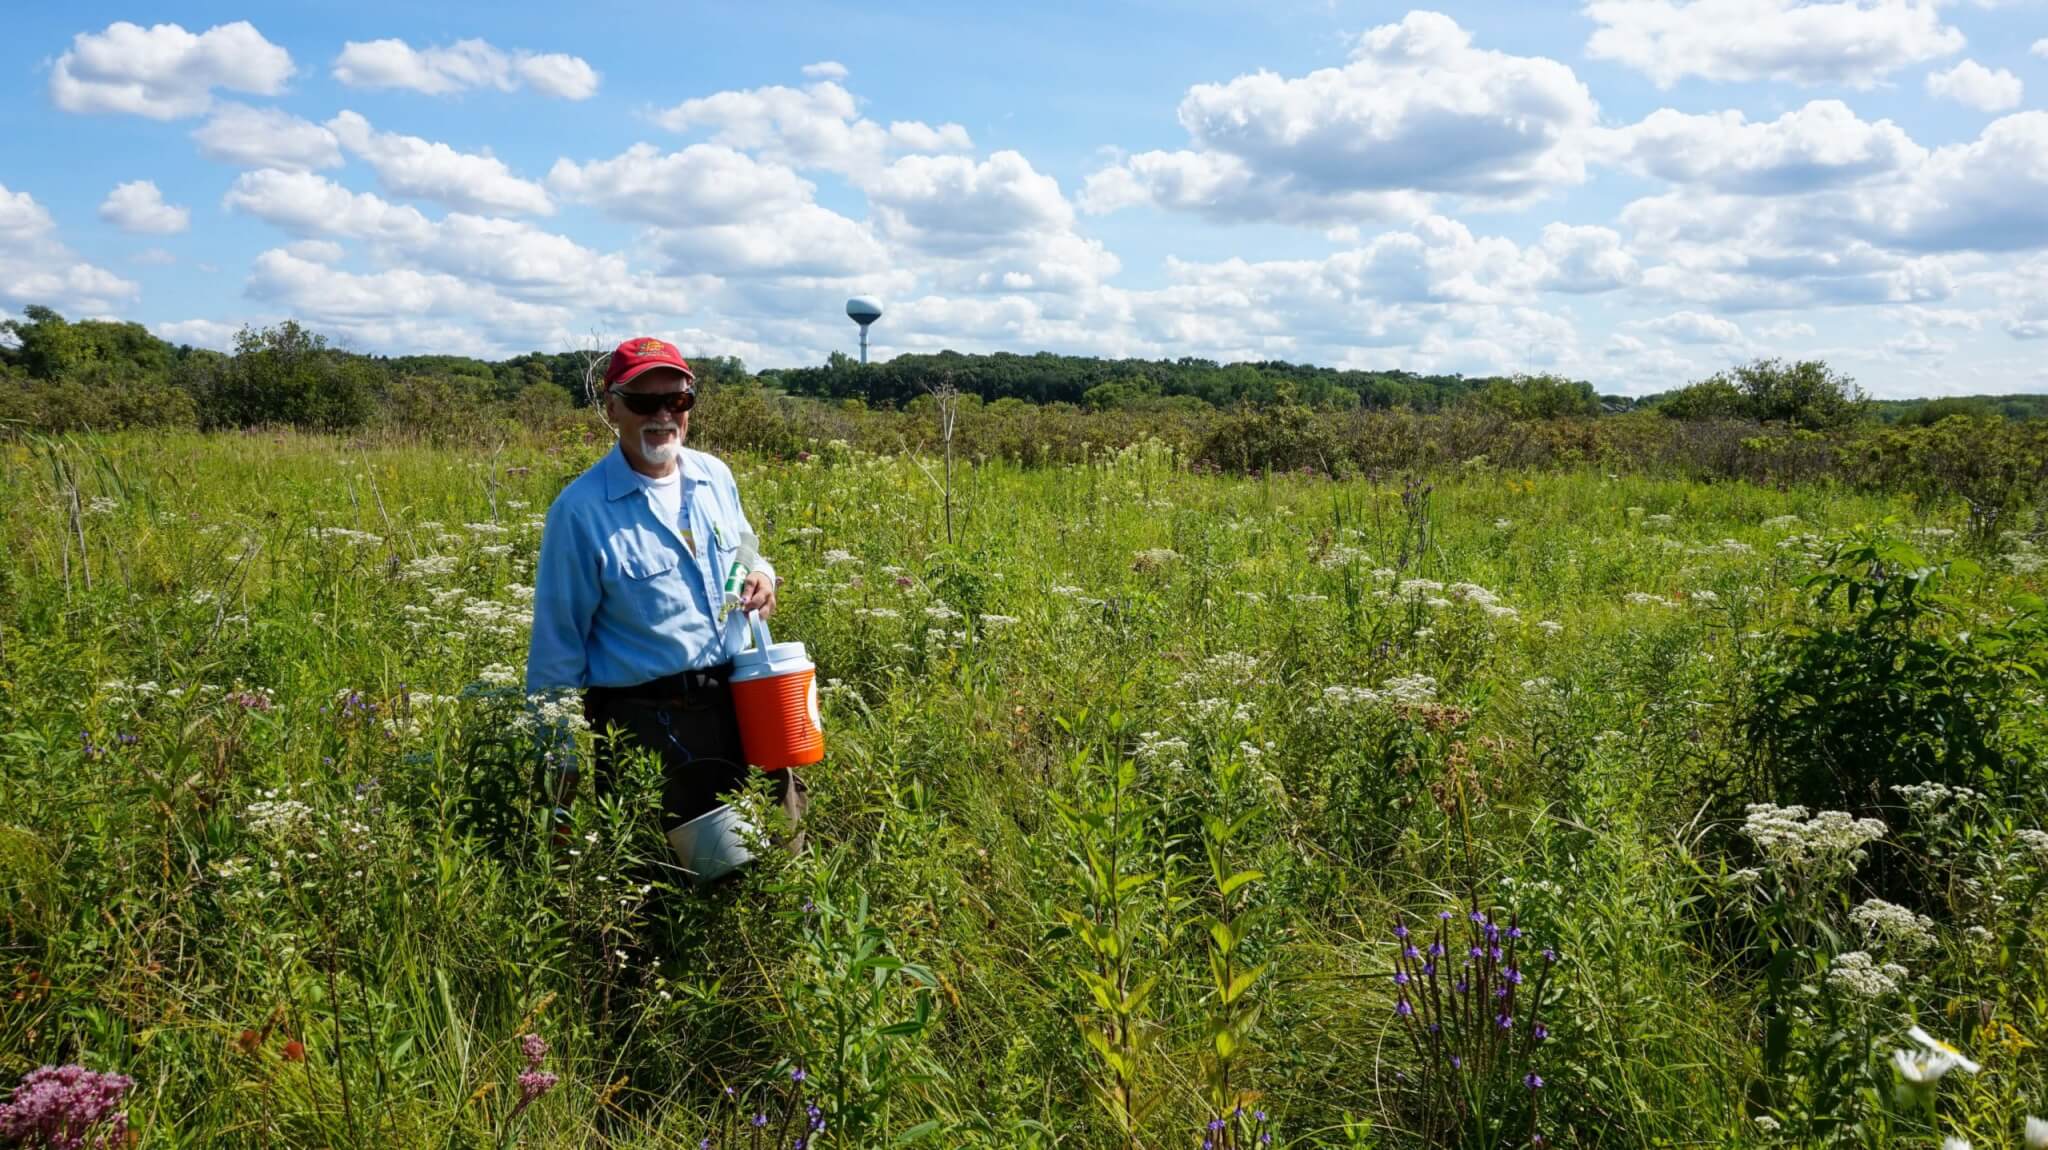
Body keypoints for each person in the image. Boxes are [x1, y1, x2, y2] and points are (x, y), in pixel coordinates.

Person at [524, 336, 804, 873]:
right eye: (643, 402)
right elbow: (556, 650)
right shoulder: (579, 512)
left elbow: (744, 546)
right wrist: (557, 772)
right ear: (612, 407)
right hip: (650, 728)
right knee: (675, 882)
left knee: (778, 858)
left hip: (745, 703)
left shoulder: (713, 475)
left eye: (676, 401)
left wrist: (762, 575)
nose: (662, 416)